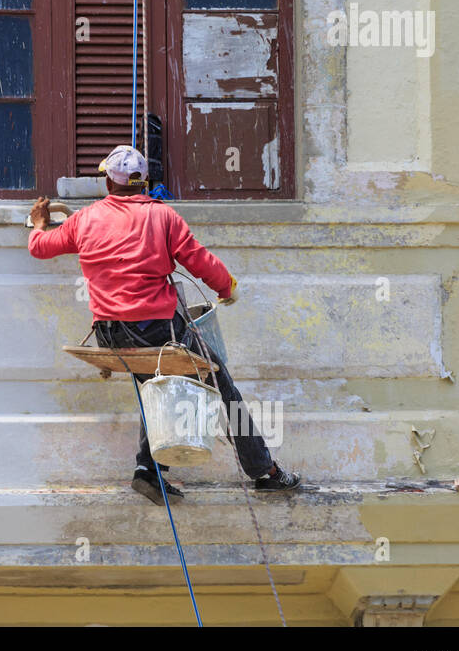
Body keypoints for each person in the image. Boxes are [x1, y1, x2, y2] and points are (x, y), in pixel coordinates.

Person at [28, 144, 301, 506]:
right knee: (223, 385)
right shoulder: (164, 218)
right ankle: (264, 472)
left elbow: (40, 247)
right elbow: (201, 262)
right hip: (158, 329)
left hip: (110, 334)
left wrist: (38, 224)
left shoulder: (85, 219)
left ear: (109, 180)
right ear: (143, 184)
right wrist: (228, 288)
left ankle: (148, 471)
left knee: (154, 384)